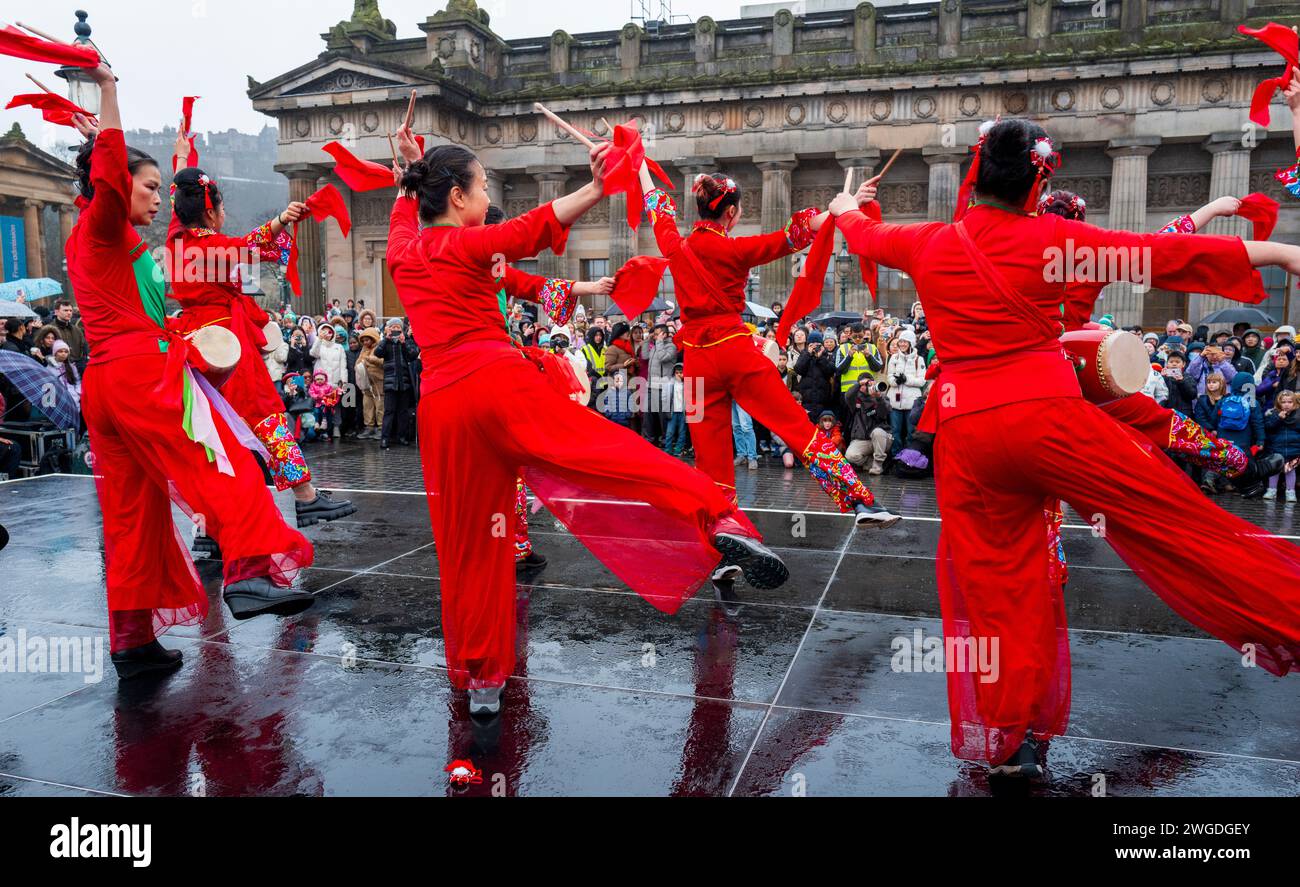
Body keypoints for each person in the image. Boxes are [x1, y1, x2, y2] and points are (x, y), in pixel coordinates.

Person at [833, 116, 1300, 777]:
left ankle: (1011, 738)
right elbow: (1157, 253)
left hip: (966, 433)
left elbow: (865, 235)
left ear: (979, 172)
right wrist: (1283, 254)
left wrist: (846, 205)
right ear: (1037, 183)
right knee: (1178, 521)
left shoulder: (929, 242)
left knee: (997, 590)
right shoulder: (1056, 242)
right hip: (1049, 415)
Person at [387, 129, 787, 717]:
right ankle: (713, 514)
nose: (485, 196)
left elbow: (407, 215)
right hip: (499, 383)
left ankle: (481, 679)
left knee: (467, 545)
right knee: (605, 452)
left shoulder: (402, 250)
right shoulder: (467, 245)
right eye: (481, 187)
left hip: (442, 405)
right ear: (456, 199)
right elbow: (526, 229)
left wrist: (407, 172)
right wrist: (597, 187)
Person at [65, 65, 314, 681]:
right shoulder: (103, 227)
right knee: (222, 459)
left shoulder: (105, 240)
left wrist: (160, 148)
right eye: (148, 187)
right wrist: (109, 88)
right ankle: (252, 575)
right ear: (118, 188)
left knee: (133, 514)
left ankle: (131, 640)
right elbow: (110, 180)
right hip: (139, 374)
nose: (157, 197)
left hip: (106, 381)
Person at [638, 163, 897, 526]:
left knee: (709, 456)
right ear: (731, 213)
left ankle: (722, 533)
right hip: (735, 352)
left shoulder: (675, 246)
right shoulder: (738, 249)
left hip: (694, 365)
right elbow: (794, 235)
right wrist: (847, 206)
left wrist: (637, 164)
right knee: (796, 426)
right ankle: (859, 502)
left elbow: (657, 208)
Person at [165, 159, 354, 538]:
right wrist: (282, 220)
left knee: (213, 433)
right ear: (209, 210)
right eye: (220, 208)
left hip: (195, 344)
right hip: (226, 343)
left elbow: (192, 214)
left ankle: (210, 527)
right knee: (266, 416)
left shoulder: (175, 242)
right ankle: (304, 496)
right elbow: (249, 247)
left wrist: (182, 160)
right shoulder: (207, 247)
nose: (224, 214)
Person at [375, 318, 418, 449]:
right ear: (388, 328)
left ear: (401, 329)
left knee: (403, 412)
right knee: (389, 411)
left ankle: (402, 437)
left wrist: (404, 343)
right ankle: (385, 439)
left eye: (397, 327)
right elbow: (378, 353)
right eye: (392, 327)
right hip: (390, 383)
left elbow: (413, 355)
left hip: (404, 382)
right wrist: (385, 339)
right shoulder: (386, 342)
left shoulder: (406, 341)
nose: (395, 329)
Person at [1263, 389, 1300, 503]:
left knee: (1290, 471)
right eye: (1284, 402)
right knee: (1275, 470)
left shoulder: (1298, 416)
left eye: (1289, 402)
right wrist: (1278, 418)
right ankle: (1272, 490)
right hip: (1277, 448)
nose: (1286, 404)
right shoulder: (1273, 414)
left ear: (1294, 403)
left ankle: (1290, 492)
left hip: (1293, 449)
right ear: (1279, 403)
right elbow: (1268, 427)